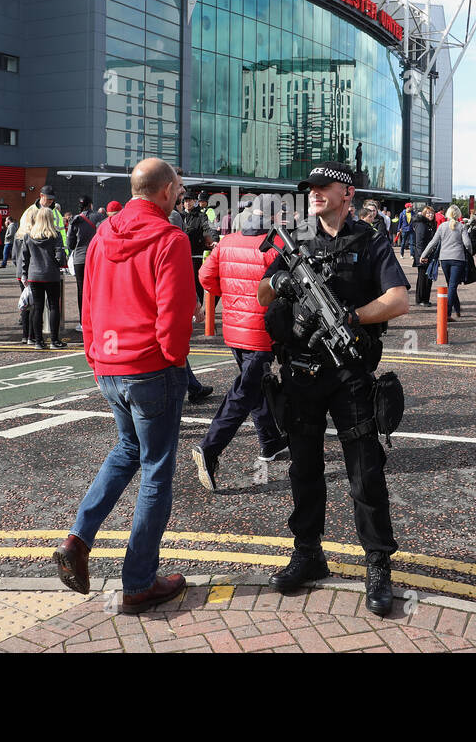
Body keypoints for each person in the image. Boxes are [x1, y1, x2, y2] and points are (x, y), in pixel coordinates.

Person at [257, 160, 409, 617]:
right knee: (303, 468)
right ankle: (308, 553)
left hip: (349, 373)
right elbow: (262, 294)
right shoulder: (295, 239)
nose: (316, 193)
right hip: (301, 373)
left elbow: (399, 299)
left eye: (325, 186)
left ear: (349, 193)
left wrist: (354, 317)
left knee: (365, 470)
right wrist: (280, 281)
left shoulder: (371, 239)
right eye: (311, 188)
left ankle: (377, 563)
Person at [52, 158, 195, 614]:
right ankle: (137, 583)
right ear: (166, 190)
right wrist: (172, 360)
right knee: (155, 470)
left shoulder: (100, 236)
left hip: (110, 365)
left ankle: (78, 538)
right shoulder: (170, 239)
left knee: (127, 450)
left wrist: (96, 357)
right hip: (151, 368)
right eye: (177, 189)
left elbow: (88, 304)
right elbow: (174, 313)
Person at [191, 194, 289, 491]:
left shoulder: (227, 242)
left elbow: (206, 277)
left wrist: (231, 295)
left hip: (234, 330)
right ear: (273, 217)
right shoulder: (277, 247)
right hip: (261, 332)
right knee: (243, 392)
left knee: (254, 387)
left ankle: (270, 442)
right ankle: (210, 448)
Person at [19, 205, 68, 350]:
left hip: (34, 275)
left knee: (37, 307)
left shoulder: (29, 236)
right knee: (53, 306)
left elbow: (25, 257)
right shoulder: (56, 235)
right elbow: (59, 258)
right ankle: (54, 340)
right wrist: (60, 260)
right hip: (51, 274)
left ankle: (38, 341)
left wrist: (24, 274)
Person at [419, 205, 472, 320]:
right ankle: (447, 313)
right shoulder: (461, 226)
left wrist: (423, 255)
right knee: (453, 286)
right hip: (458, 258)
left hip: (444, 259)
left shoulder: (442, 226)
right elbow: (467, 244)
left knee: (451, 285)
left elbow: (433, 242)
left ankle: (457, 309)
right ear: (458, 215)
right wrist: (470, 252)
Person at [67, 197, 105, 319]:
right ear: (90, 205)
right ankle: (96, 318)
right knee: (97, 288)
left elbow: (70, 244)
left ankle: (83, 320)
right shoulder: (99, 217)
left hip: (80, 259)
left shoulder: (75, 220)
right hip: (96, 258)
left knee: (81, 290)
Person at [410, 206, 436, 305]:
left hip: (428, 255)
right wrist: (422, 256)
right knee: (423, 278)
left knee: (428, 278)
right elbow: (419, 242)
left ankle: (425, 299)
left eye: (432, 213)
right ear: (424, 214)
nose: (431, 215)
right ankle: (421, 299)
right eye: (428, 213)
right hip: (423, 256)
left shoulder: (429, 224)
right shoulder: (422, 225)